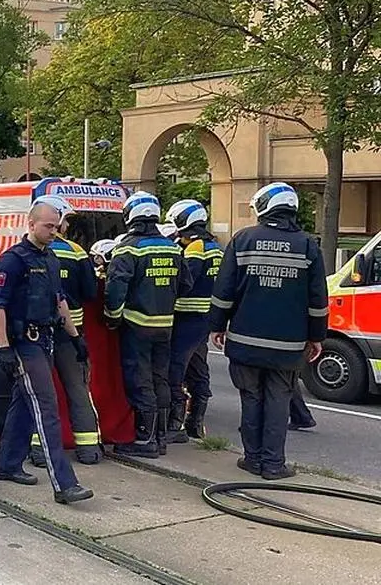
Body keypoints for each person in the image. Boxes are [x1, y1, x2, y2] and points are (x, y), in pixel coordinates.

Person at [210, 182, 327, 480]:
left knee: (251, 398)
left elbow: (224, 290)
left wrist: (217, 326)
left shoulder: (243, 239)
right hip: (288, 346)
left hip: (245, 340)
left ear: (264, 206)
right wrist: (317, 337)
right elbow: (317, 299)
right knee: (279, 400)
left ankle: (252, 459)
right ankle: (273, 465)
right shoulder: (307, 245)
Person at [0, 201, 94, 505]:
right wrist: (4, 348)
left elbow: (60, 302)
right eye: (48, 226)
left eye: (57, 225)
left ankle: (7, 466)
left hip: (45, 339)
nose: (54, 230)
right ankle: (64, 483)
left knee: (23, 405)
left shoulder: (51, 259)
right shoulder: (12, 260)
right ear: (31, 224)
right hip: (23, 343)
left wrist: (76, 340)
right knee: (46, 406)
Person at [105, 191, 192, 458]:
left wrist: (112, 317)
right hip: (165, 324)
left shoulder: (128, 247)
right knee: (160, 378)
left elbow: (116, 288)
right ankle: (161, 437)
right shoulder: (173, 247)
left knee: (139, 379)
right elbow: (186, 285)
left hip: (135, 324)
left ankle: (145, 439)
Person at [29, 195, 102, 466]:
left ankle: (39, 450)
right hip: (71, 335)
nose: (67, 225)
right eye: (66, 219)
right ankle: (89, 450)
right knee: (77, 389)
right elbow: (91, 292)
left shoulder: (24, 251)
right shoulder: (76, 252)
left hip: (36, 335)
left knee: (41, 393)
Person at [163, 199, 223, 442]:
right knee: (198, 369)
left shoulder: (196, 248)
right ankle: (195, 424)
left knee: (175, 369)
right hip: (204, 318)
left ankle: (175, 427)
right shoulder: (214, 247)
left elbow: (185, 281)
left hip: (187, 318)